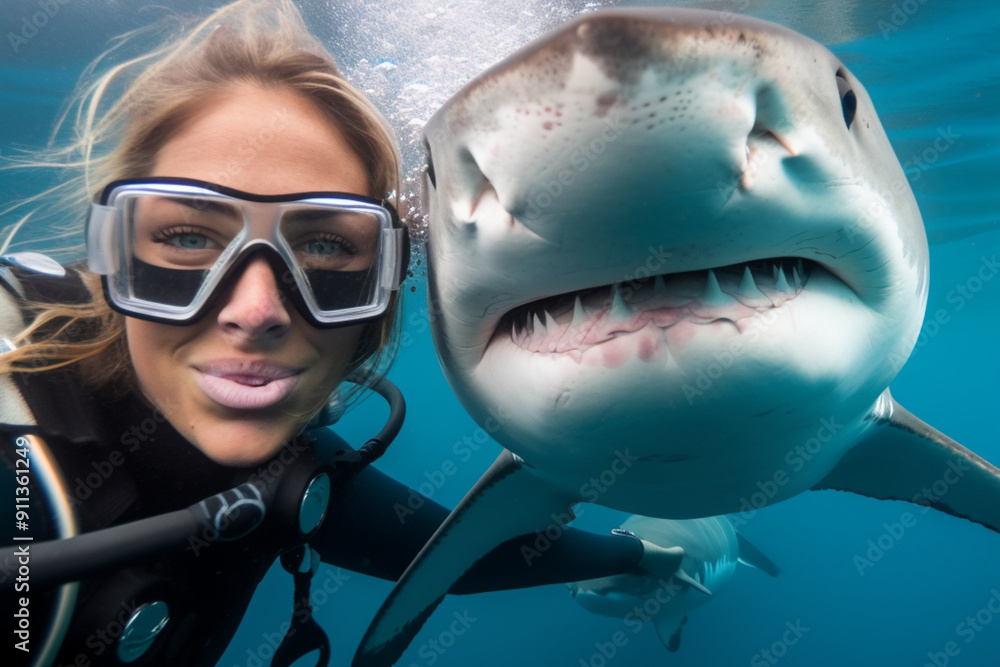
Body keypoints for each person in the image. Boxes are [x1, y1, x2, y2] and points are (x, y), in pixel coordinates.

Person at [0, 2, 687, 665]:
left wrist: (643, 553)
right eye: (187, 237)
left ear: (381, 297)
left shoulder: (294, 474)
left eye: (326, 249)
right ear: (109, 256)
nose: (255, 309)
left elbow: (464, 555)